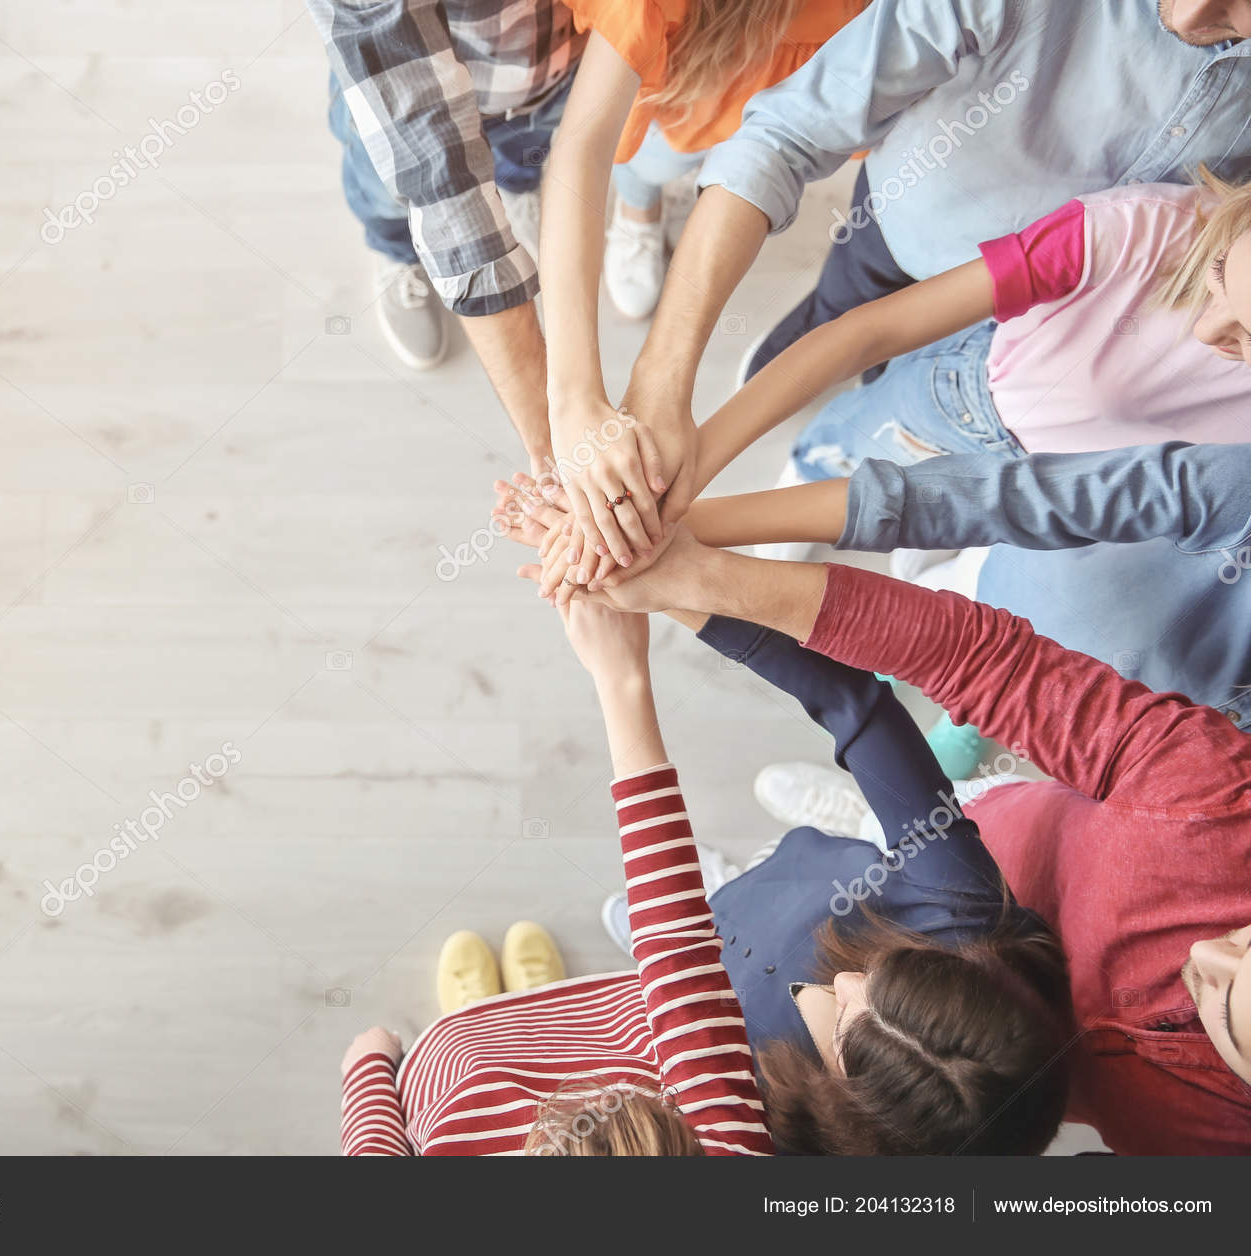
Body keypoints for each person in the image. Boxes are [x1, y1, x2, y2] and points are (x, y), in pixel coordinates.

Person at [523, 524, 1251, 1155]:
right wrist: (674, 590)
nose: (845, 979)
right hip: (814, 879)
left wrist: (674, 947)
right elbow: (860, 704)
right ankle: (780, 863)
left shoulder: (752, 1129)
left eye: (846, 1022)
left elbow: (679, 983)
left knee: (677, 949)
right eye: (892, 974)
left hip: (674, 978)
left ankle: (691, 920)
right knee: (776, 881)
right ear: (961, 978)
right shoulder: (957, 915)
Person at [539, 168, 1251, 771]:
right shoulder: (1134, 231)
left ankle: (940, 677)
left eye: (1247, 335)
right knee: (836, 457)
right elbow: (870, 331)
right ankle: (792, 537)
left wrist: (669, 533)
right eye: (1219, 276)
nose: (1205, 330)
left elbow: (1010, 512)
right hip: (960, 407)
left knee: (985, 598)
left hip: (1069, 509)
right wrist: (685, 480)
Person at [549, 0, 1251, 573]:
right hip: (902, 232)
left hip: (1073, 352)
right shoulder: (1124, 227)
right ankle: (797, 371)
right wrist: (664, 389)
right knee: (839, 321)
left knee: (902, 417)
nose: (1200, 16)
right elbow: (785, 141)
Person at [339, 597, 772, 1156]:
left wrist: (368, 1078)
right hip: (606, 1034)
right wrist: (621, 678)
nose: (585, 1097)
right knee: (590, 1024)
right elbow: (679, 958)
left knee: (469, 1051)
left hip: (451, 1075)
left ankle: (477, 1016)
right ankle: (533, 1005)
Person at [539, 0, 865, 573]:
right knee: (649, 158)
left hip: (804, 80)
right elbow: (582, 147)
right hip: (686, 88)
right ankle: (638, 210)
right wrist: (573, 398)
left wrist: (663, 388)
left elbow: (779, 146)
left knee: (730, 149)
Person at [307, 0, 583, 473]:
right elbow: (424, 144)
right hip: (398, 97)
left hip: (551, 75)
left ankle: (515, 192)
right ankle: (399, 250)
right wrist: (553, 434)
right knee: (386, 196)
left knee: (526, 156)